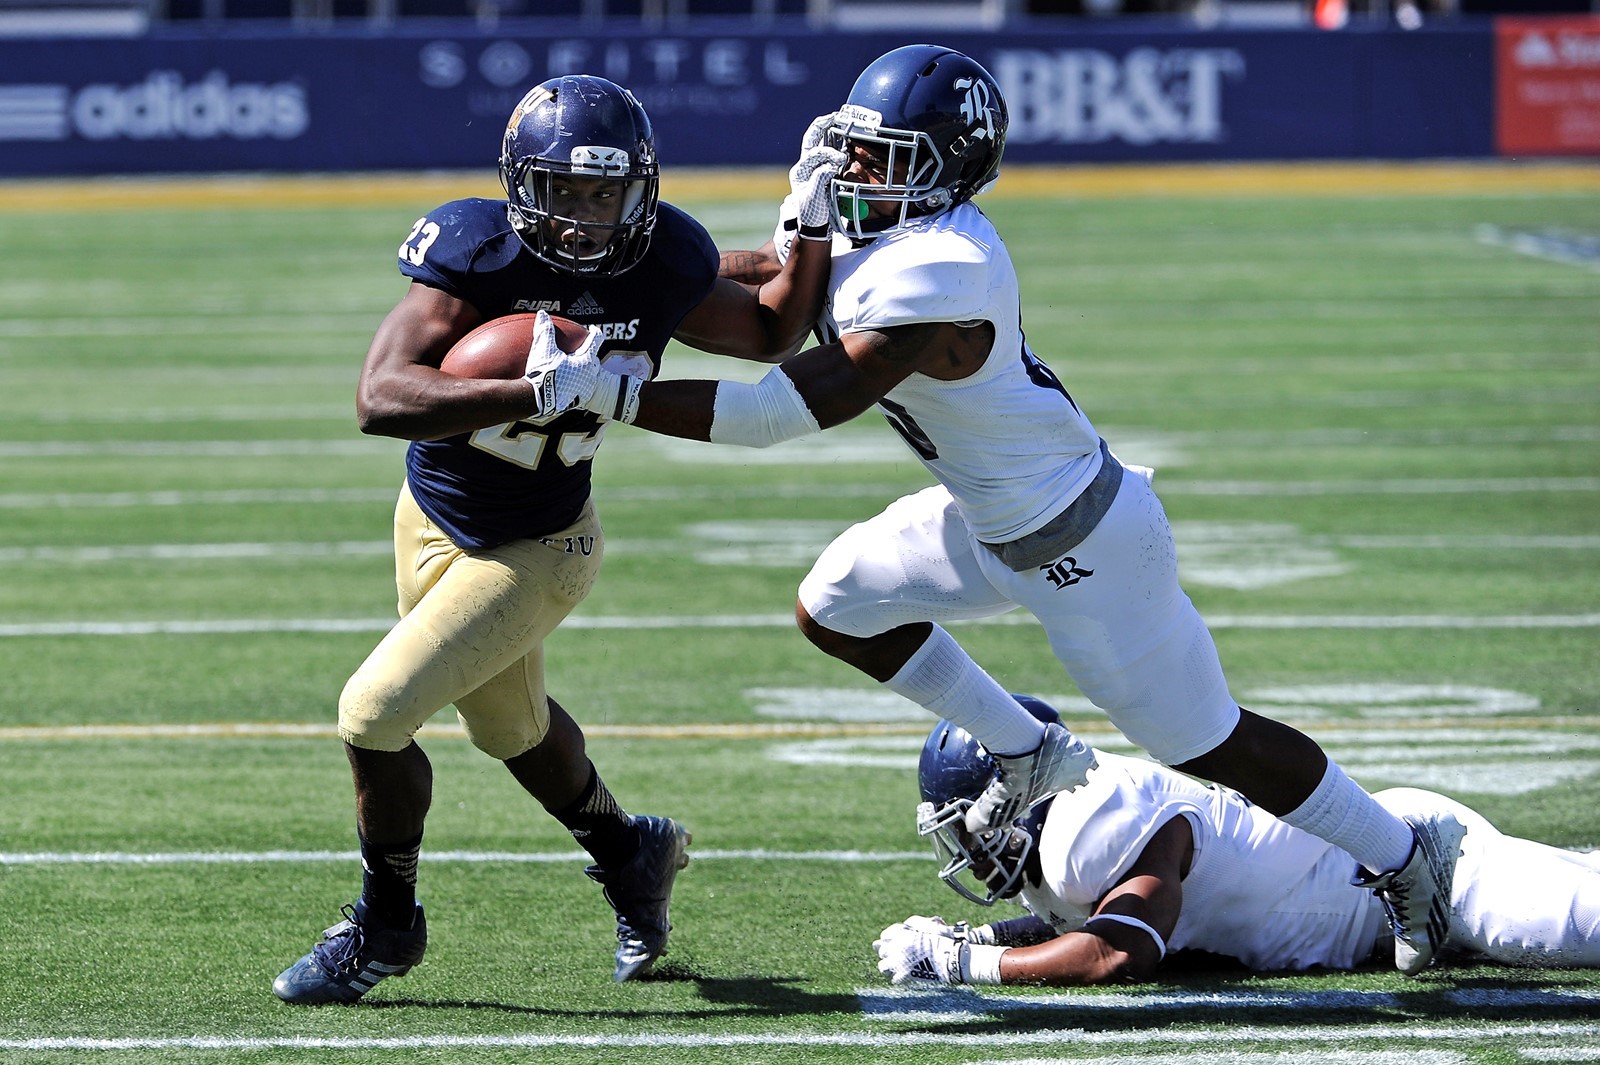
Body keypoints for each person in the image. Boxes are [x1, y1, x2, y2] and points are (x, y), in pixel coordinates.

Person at [520, 44, 1464, 975]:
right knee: (836, 605)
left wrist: (613, 390)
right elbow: (765, 275)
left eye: (882, 157)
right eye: (854, 146)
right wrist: (625, 271)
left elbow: (785, 409)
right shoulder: (891, 224)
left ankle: (1399, 855)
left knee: (1204, 739)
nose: (854, 169)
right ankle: (1025, 747)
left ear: (945, 173)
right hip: (984, 520)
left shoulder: (944, 266)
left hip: (1085, 544)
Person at [271, 74, 840, 1004]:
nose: (582, 217)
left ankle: (387, 923)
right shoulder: (475, 250)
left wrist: (809, 233)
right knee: (512, 729)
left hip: (540, 545)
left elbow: (772, 328)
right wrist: (534, 391)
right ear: (518, 185)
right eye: (562, 192)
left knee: (373, 713)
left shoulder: (661, 259)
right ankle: (633, 849)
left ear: (638, 190)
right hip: (430, 515)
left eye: (602, 193)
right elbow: (381, 398)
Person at [873, 697, 1600, 985]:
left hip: (1427, 874)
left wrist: (962, 959)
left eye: (964, 819)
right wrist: (985, 929)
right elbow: (1090, 916)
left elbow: (1117, 948)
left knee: (1584, 922)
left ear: (1015, 797)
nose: (963, 846)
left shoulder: (1094, 822)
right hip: (1379, 903)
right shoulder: (1064, 836)